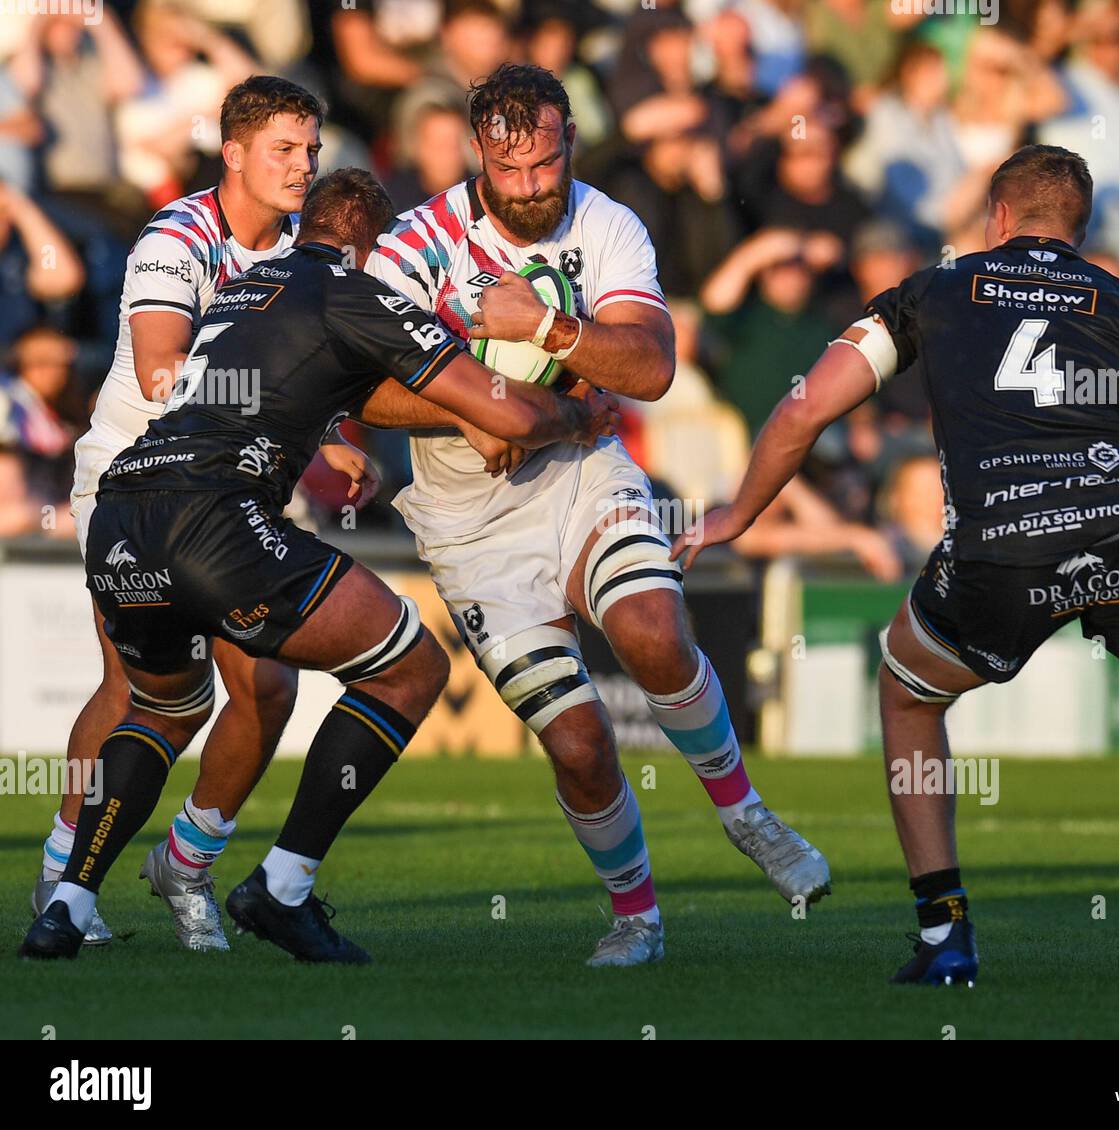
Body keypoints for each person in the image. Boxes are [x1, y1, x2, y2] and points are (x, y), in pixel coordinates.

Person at [675, 144, 1119, 987]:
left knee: (907, 691)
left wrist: (736, 514)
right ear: (1077, 226)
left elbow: (802, 409)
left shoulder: (933, 290)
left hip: (1001, 548)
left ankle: (945, 937)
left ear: (998, 216)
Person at [19, 167, 615, 964]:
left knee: (158, 711)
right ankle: (282, 888)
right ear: (372, 243)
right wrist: (577, 416)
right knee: (409, 669)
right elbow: (499, 406)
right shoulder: (357, 290)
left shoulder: (250, 284)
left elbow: (293, 381)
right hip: (215, 513)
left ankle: (64, 905)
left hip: (127, 510)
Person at [366, 63, 830, 968]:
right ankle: (637, 919)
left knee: (654, 629)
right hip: (469, 518)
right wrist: (482, 407)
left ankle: (748, 817)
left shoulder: (609, 222)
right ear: (477, 157)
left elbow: (650, 367)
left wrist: (548, 330)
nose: (535, 187)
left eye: (547, 165)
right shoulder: (415, 243)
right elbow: (367, 392)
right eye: (512, 174)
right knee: (578, 743)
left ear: (569, 139)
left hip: (581, 469)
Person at [35, 76, 345, 954]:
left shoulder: (298, 255)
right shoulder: (177, 236)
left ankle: (188, 860)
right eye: (285, 149)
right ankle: (63, 876)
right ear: (234, 153)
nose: (303, 166)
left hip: (225, 496)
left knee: (269, 688)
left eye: (312, 149)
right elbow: (164, 365)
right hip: (129, 482)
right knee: (144, 695)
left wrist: (326, 438)